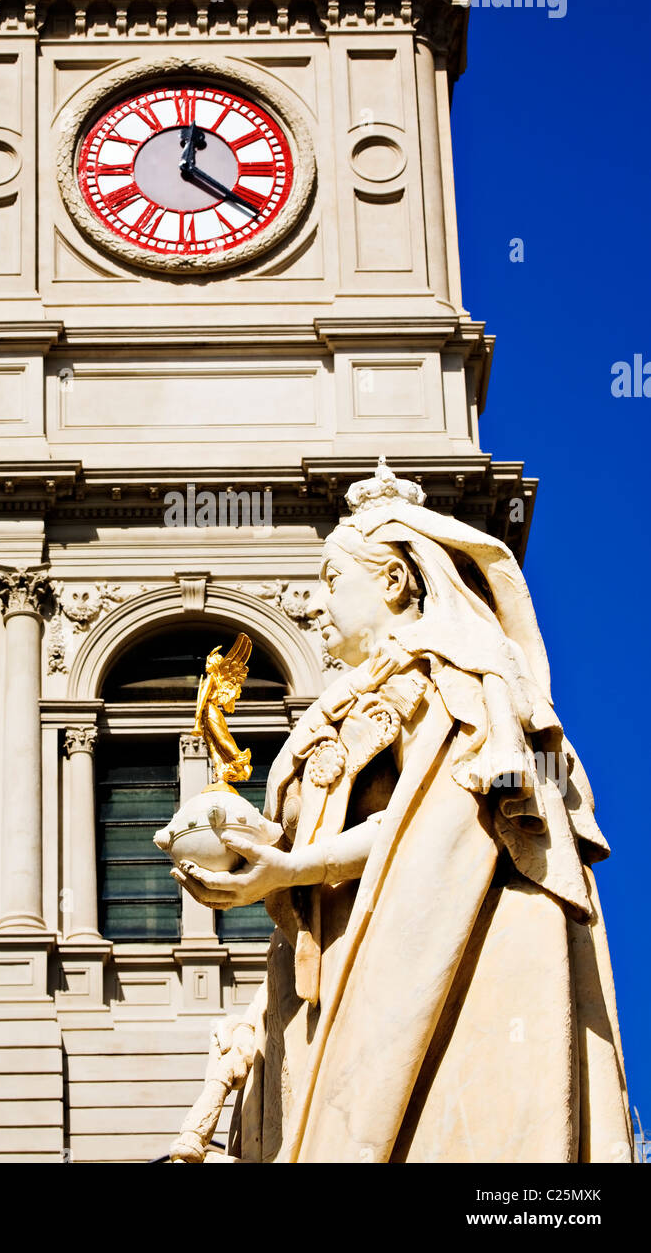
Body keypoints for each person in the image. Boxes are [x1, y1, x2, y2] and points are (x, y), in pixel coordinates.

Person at [172, 461, 633, 1163]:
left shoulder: (447, 670)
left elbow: (441, 819)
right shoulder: (368, 690)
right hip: (362, 963)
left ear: (391, 582)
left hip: (435, 955)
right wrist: (258, 844)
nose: (317, 604)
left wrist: (292, 866)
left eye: (332, 583)